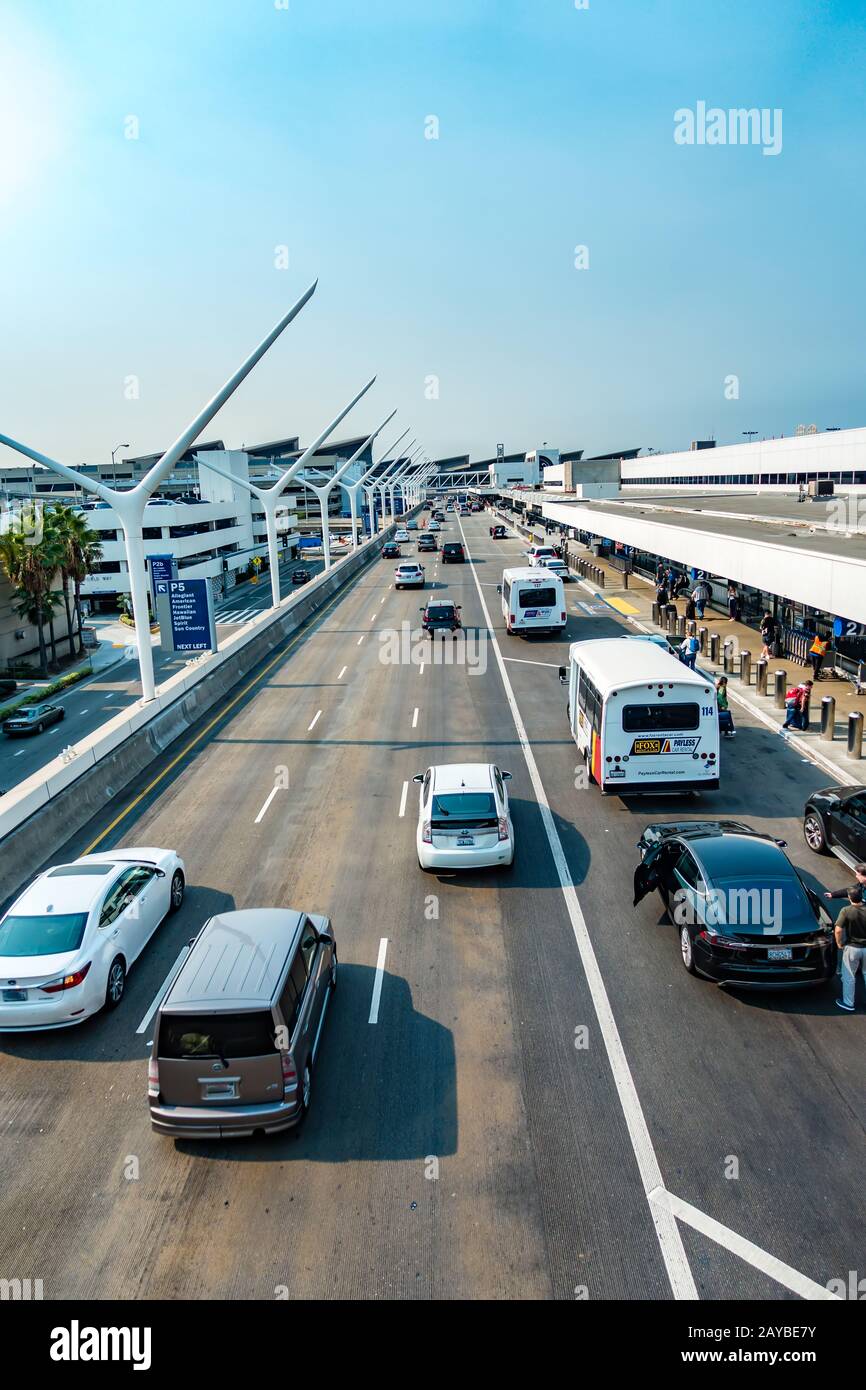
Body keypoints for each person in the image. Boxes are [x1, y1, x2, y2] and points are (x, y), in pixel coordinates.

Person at [834, 886, 866, 1011]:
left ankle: (848, 1003)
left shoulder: (846, 910)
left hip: (852, 947)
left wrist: (839, 944)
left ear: (849, 897)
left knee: (849, 976)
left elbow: (838, 930)